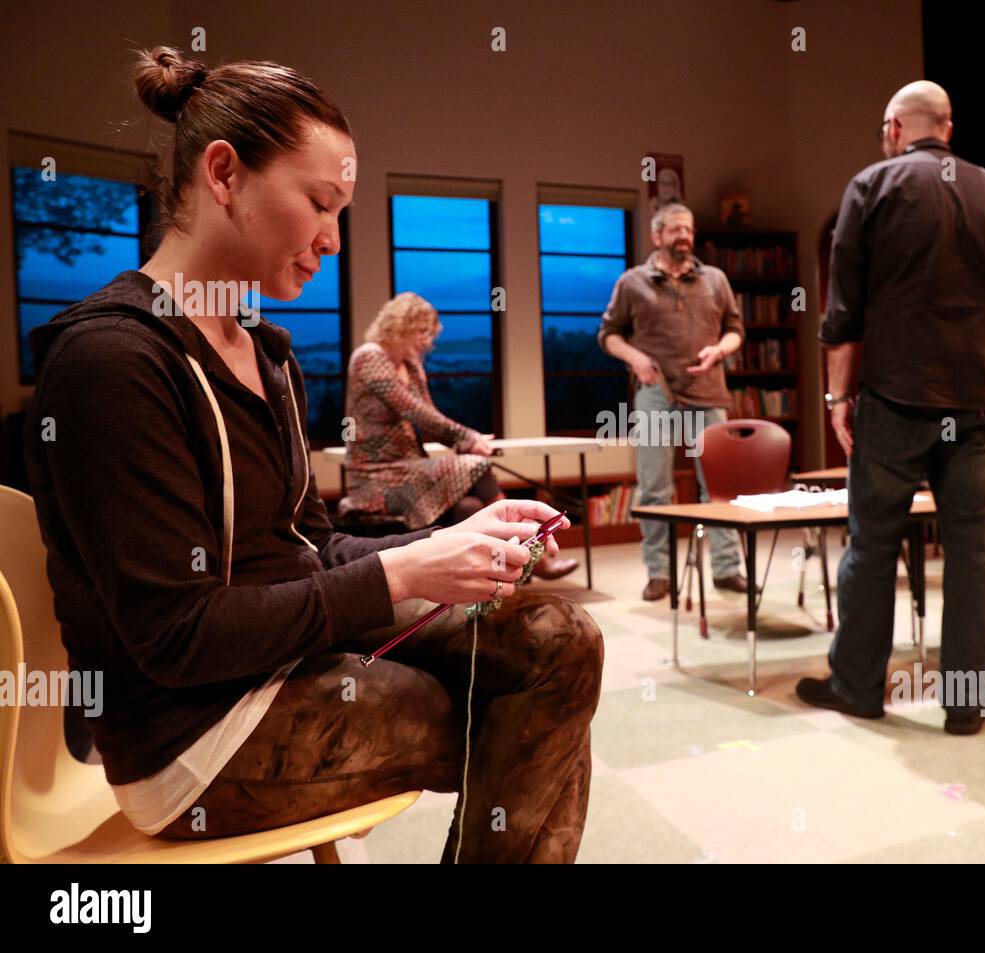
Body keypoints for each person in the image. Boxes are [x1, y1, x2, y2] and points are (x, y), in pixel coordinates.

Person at [22, 47, 601, 862]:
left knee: (556, 641)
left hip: (288, 656)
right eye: (320, 203)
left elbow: (311, 550)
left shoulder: (267, 354)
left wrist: (442, 545)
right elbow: (177, 636)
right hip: (194, 736)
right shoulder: (111, 362)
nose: (332, 239)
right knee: (513, 703)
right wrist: (404, 574)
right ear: (223, 172)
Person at [802, 80, 985, 735]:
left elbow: (842, 312)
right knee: (968, 549)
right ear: (948, 129)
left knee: (873, 544)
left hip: (898, 397)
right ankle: (963, 702)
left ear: (894, 127)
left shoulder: (871, 185)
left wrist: (837, 397)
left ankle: (858, 687)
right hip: (980, 398)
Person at [341, 291, 578, 578]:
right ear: (400, 325)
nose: (429, 342)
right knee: (476, 466)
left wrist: (467, 441)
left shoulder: (411, 365)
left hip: (410, 468)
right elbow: (414, 412)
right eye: (423, 333)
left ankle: (489, 582)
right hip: (377, 476)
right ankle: (531, 556)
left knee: (471, 506)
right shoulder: (369, 358)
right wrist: (467, 439)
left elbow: (430, 413)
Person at [598, 202, 748, 600]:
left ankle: (727, 568)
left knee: (718, 485)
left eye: (689, 229)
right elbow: (608, 334)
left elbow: (736, 329)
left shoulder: (715, 279)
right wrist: (635, 358)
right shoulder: (633, 282)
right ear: (657, 236)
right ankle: (659, 573)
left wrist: (719, 350)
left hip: (708, 391)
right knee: (654, 486)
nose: (684, 236)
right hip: (655, 393)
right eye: (676, 230)